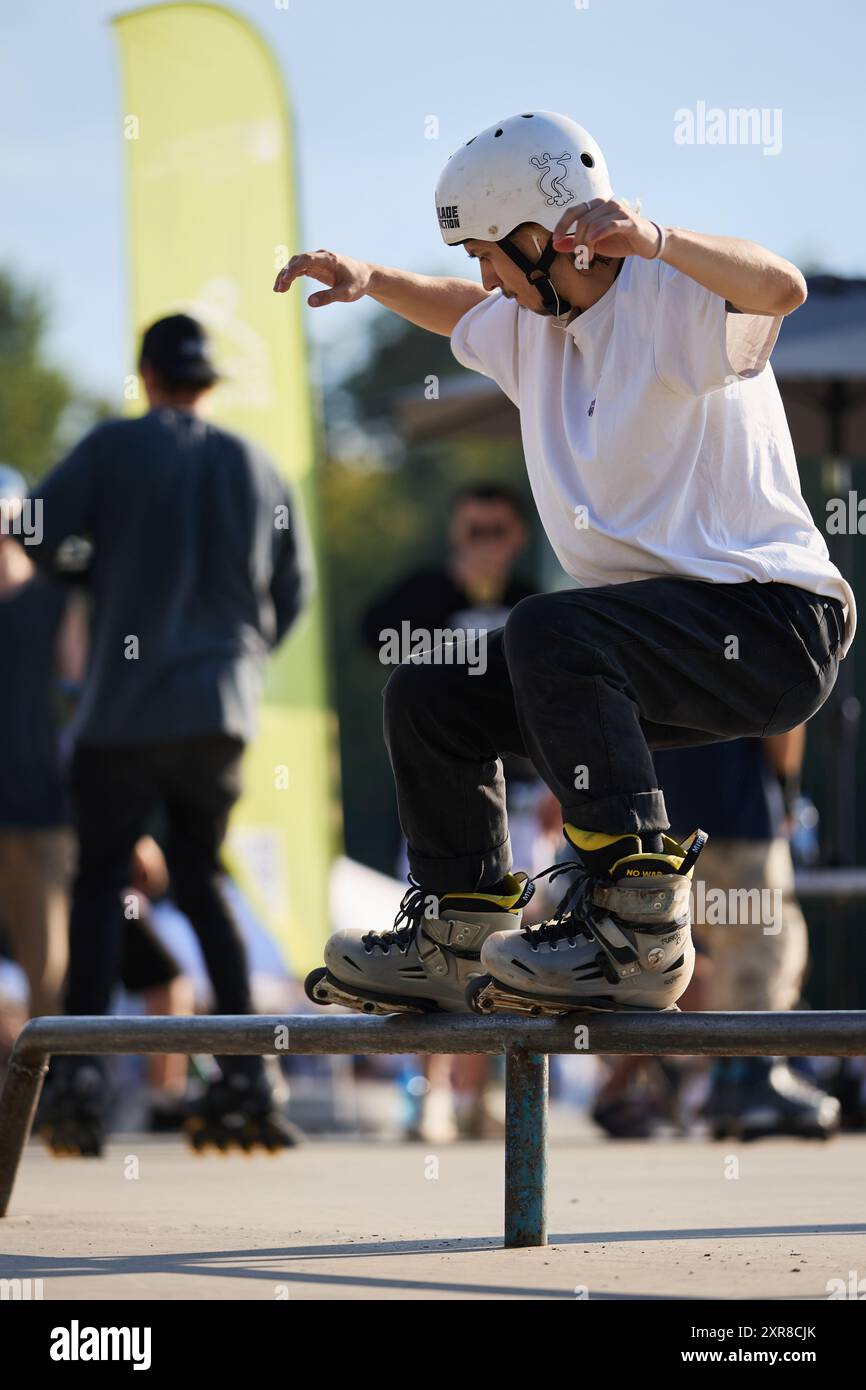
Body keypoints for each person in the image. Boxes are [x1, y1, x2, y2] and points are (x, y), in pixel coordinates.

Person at [276, 110, 854, 1019]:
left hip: (772, 621)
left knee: (548, 626)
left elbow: (780, 289)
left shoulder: (673, 302)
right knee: (432, 695)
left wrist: (657, 238)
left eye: (493, 253)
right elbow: (462, 312)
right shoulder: (528, 327)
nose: (485, 276)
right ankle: (457, 934)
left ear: (545, 237)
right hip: (641, 645)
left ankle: (639, 929)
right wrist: (369, 278)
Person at [22, 314, 309, 1153]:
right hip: (218, 711)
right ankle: (249, 1071)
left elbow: (32, 528)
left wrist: (89, 567)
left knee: (102, 880)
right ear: (208, 383)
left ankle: (77, 1074)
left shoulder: (114, 448)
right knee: (201, 878)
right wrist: (241, 659)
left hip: (122, 708)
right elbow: (293, 590)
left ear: (146, 375)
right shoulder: (258, 466)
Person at [654, 734, 840, 1139]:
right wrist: (787, 790)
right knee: (765, 943)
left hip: (667, 811)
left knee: (721, 950)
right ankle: (751, 1078)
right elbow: (786, 716)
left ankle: (727, 1081)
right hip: (736, 809)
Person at [0, 464, 85, 1024]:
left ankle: (52, 1098)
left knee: (48, 970)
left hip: (40, 807)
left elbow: (81, 692)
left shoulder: (57, 599)